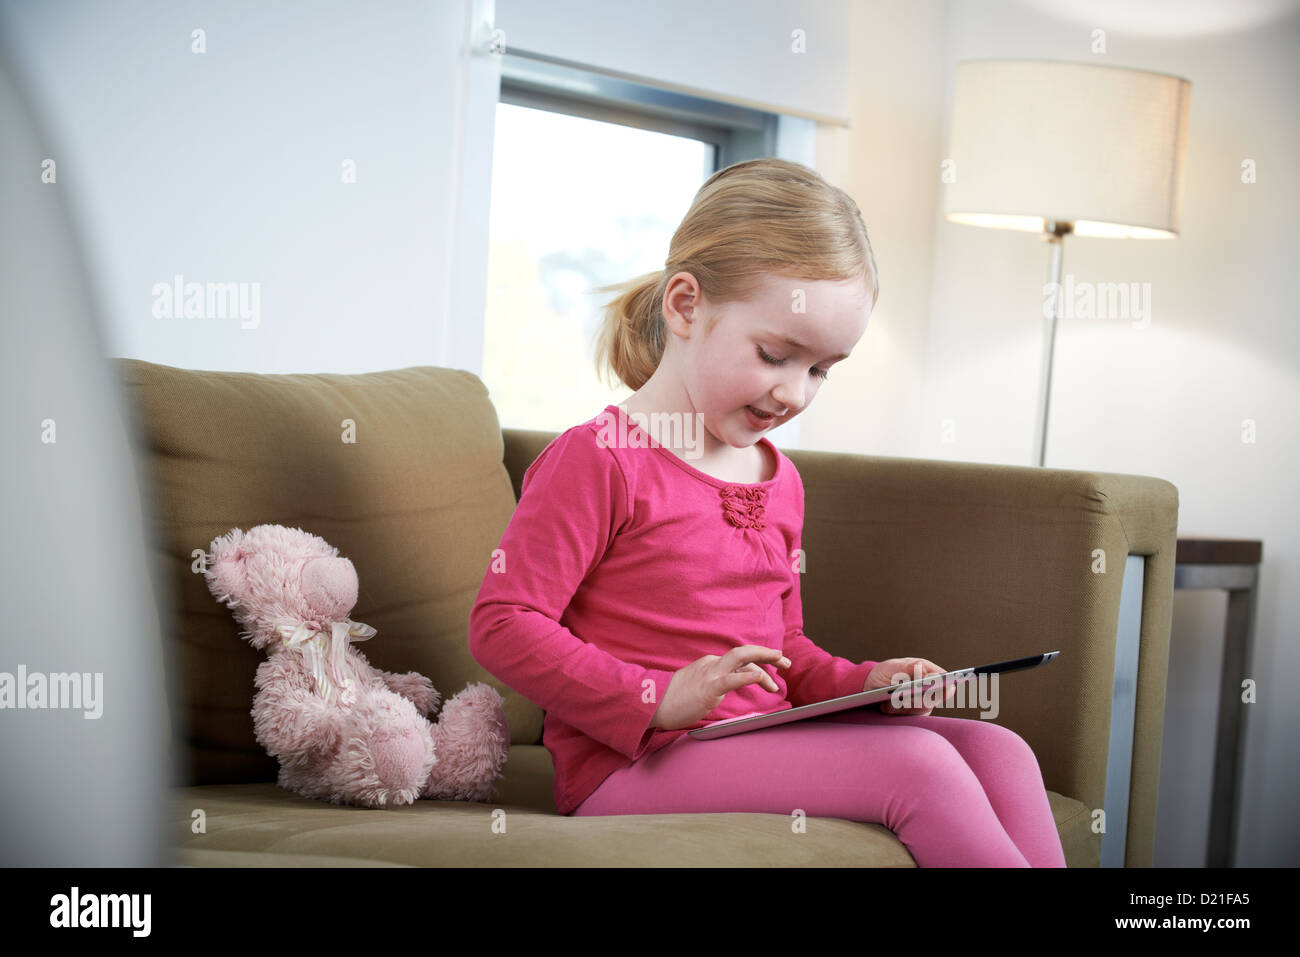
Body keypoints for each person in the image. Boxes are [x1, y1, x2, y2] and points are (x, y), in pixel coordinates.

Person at [468, 157, 1066, 867]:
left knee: (1000, 748)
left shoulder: (779, 479)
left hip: (755, 738)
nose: (796, 393)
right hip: (632, 763)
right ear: (686, 306)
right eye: (776, 355)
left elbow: (787, 657)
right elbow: (502, 623)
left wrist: (867, 683)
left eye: (821, 369)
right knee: (921, 768)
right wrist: (655, 696)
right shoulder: (601, 458)